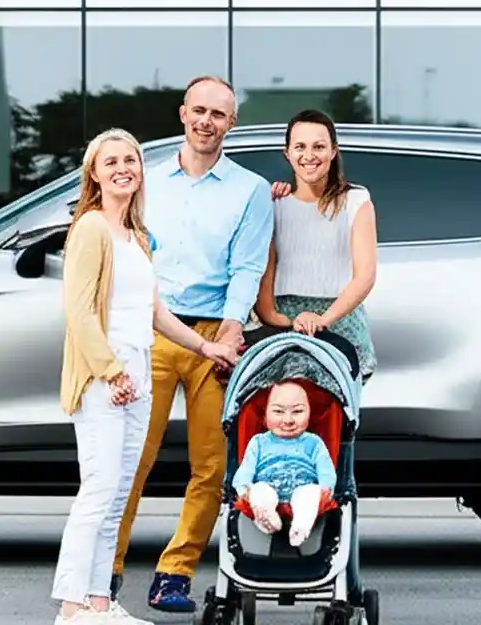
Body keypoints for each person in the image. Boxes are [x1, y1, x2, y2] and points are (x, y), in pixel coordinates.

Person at [52, 127, 240, 625]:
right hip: (102, 375)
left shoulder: (136, 236)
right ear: (94, 173)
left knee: (116, 494)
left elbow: (154, 311)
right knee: (96, 490)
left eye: (131, 160)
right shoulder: (89, 227)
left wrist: (206, 346)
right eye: (111, 161)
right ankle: (71, 609)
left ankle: (99, 603)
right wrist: (111, 371)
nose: (123, 168)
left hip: (136, 372)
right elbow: (79, 313)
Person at [110, 75, 275, 613]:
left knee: (211, 464)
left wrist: (232, 329)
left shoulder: (250, 190)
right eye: (199, 110)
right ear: (183, 114)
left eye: (219, 114)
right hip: (152, 331)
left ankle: (175, 572)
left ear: (232, 123)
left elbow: (248, 266)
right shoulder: (146, 183)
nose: (208, 121)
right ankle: (104, 569)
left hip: (214, 336)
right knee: (131, 456)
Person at [257, 109, 378, 379]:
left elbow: (365, 275)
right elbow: (264, 287)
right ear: (287, 153)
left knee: (333, 415)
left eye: (319, 146)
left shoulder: (355, 201)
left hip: (340, 323)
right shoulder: (273, 205)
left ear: (333, 151)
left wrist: (323, 320)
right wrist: (290, 321)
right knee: (286, 414)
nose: (309, 155)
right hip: (286, 328)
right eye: (300, 146)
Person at [232, 378, 337, 547]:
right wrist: (243, 487)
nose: (288, 420)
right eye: (279, 412)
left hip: (302, 488)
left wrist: (327, 488)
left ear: (309, 413)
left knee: (310, 494)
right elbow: (246, 469)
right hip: (267, 486)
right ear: (265, 415)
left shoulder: (313, 442)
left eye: (297, 412)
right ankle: (265, 516)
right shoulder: (258, 442)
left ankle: (301, 526)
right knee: (258, 491)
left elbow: (326, 470)